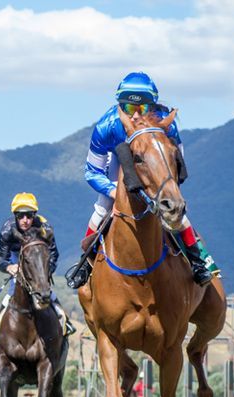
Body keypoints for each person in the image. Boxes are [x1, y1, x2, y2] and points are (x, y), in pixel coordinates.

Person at [66, 71, 218, 289]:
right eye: (129, 108)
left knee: (176, 210)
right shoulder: (106, 126)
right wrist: (113, 192)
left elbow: (177, 162)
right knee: (102, 208)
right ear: (120, 106)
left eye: (142, 108)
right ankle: (85, 265)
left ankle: (197, 261)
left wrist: (163, 189)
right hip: (119, 162)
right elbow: (92, 172)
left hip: (154, 167)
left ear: (152, 106)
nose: (135, 116)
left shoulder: (167, 124)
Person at [0, 192, 74, 341]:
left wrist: (44, 273)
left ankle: (64, 319)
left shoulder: (44, 228)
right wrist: (9, 267)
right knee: (13, 287)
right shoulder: (7, 230)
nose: (25, 220)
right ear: (15, 216)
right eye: (20, 216)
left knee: (44, 287)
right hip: (17, 256)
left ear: (35, 215)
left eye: (29, 215)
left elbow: (54, 255)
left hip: (39, 257)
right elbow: (2, 259)